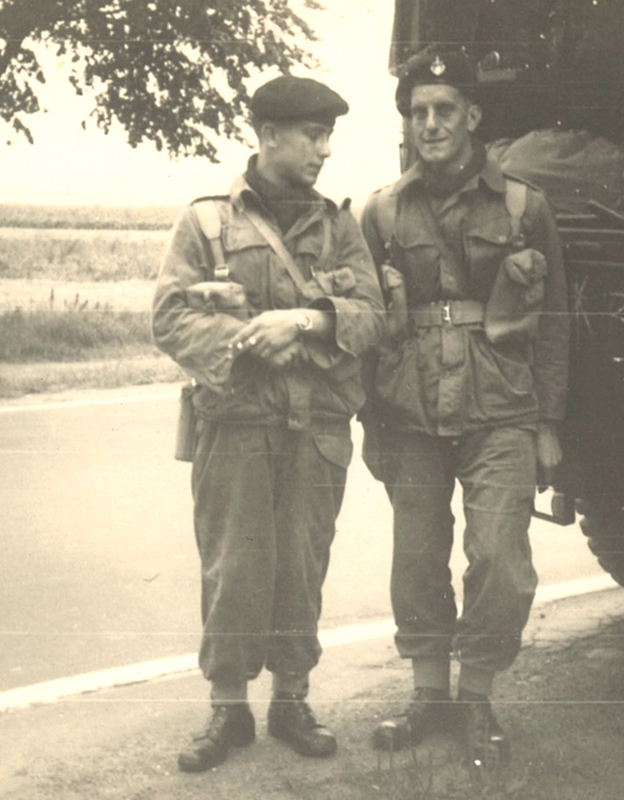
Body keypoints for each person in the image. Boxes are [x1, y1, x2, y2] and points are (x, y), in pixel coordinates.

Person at [152, 75, 384, 773]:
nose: (324, 150)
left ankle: (292, 700)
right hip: (237, 423)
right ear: (268, 135)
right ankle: (228, 710)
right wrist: (249, 340)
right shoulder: (205, 222)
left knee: (302, 565)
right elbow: (168, 316)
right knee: (234, 566)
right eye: (313, 135)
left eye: (329, 136)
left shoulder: (340, 227)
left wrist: (305, 323)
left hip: (315, 428)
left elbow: (373, 316)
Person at [359, 49, 569, 767]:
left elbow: (556, 322)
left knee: (502, 560)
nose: (430, 124)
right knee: (416, 558)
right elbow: (367, 327)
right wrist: (372, 424)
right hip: (409, 408)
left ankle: (476, 695)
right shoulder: (382, 210)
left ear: (473, 117)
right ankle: (428, 696)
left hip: (501, 409)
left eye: (445, 110)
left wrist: (546, 424)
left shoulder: (522, 206)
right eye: (418, 113)